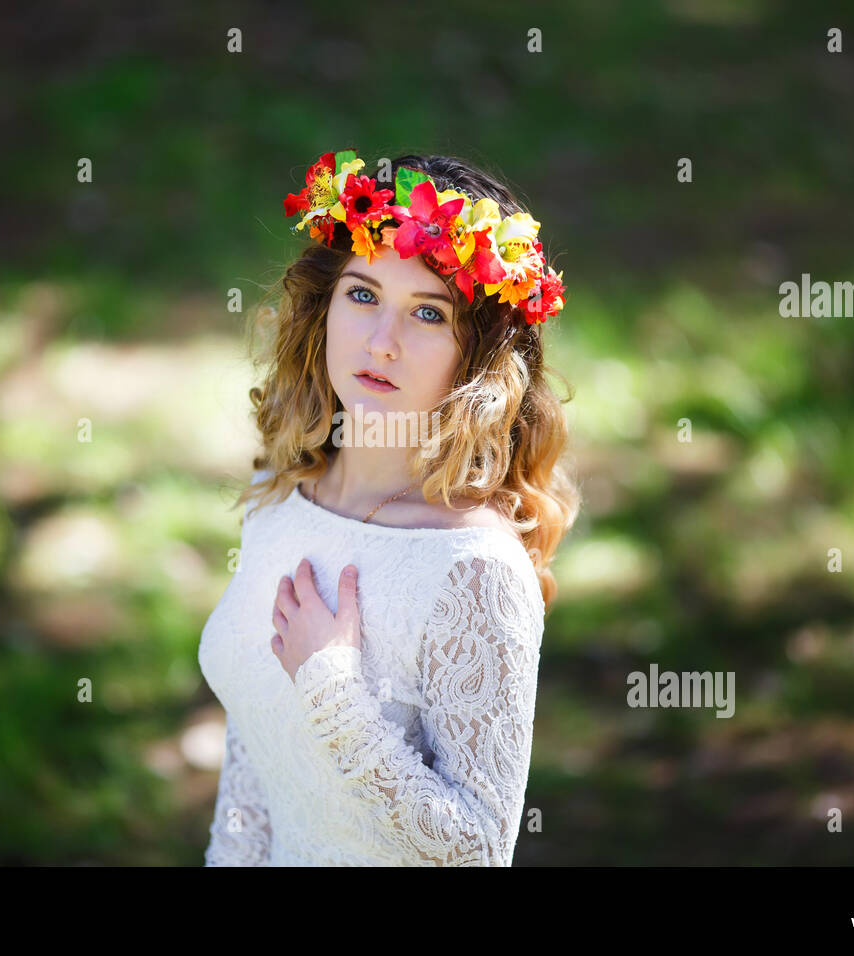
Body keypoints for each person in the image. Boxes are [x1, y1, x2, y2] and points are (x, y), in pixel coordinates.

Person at [198, 148, 580, 865]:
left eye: (427, 313)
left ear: (478, 358)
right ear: (324, 307)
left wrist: (333, 693)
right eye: (364, 295)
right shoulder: (277, 501)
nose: (382, 343)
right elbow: (251, 776)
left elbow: (476, 851)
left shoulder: (473, 568)